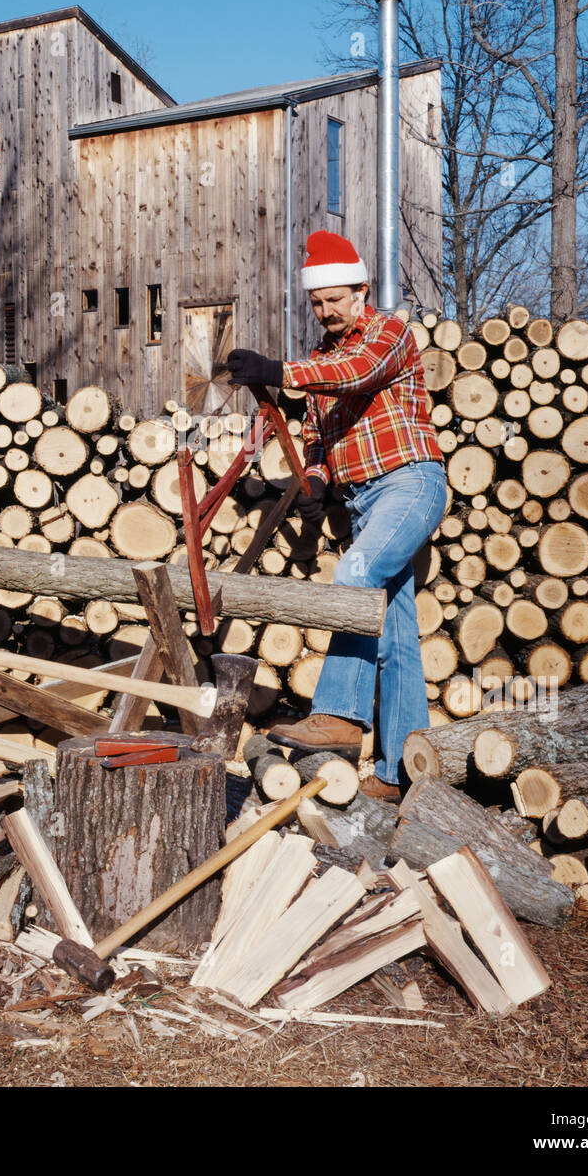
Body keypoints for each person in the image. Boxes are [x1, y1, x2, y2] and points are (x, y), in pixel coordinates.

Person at [226, 229, 447, 801]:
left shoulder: (389, 332)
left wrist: (277, 369)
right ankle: (403, 775)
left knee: (353, 575)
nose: (325, 311)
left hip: (410, 482)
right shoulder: (324, 358)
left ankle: (341, 716)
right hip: (363, 499)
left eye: (335, 300)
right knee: (395, 633)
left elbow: (358, 373)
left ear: (362, 290)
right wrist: (318, 479)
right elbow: (317, 434)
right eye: (317, 303)